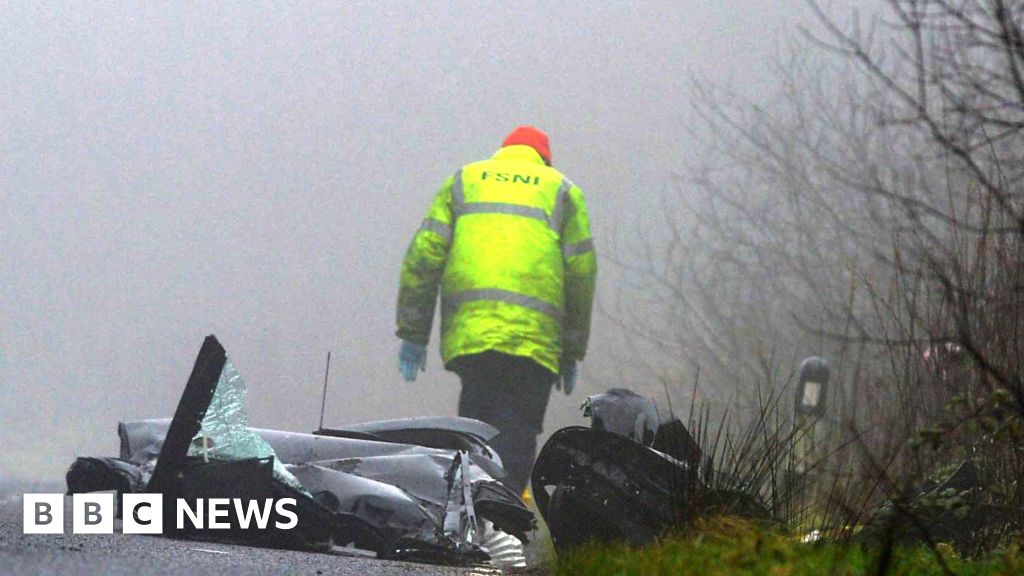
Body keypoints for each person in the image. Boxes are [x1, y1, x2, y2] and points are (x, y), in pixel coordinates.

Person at [394, 126, 597, 492]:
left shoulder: (465, 180)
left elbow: (423, 257)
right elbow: (581, 275)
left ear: (502, 151)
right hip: (534, 342)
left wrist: (414, 333)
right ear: (544, 159)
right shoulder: (562, 191)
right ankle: (503, 522)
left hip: (474, 336)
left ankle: (471, 516)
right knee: (518, 433)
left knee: (477, 429)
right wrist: (571, 350)